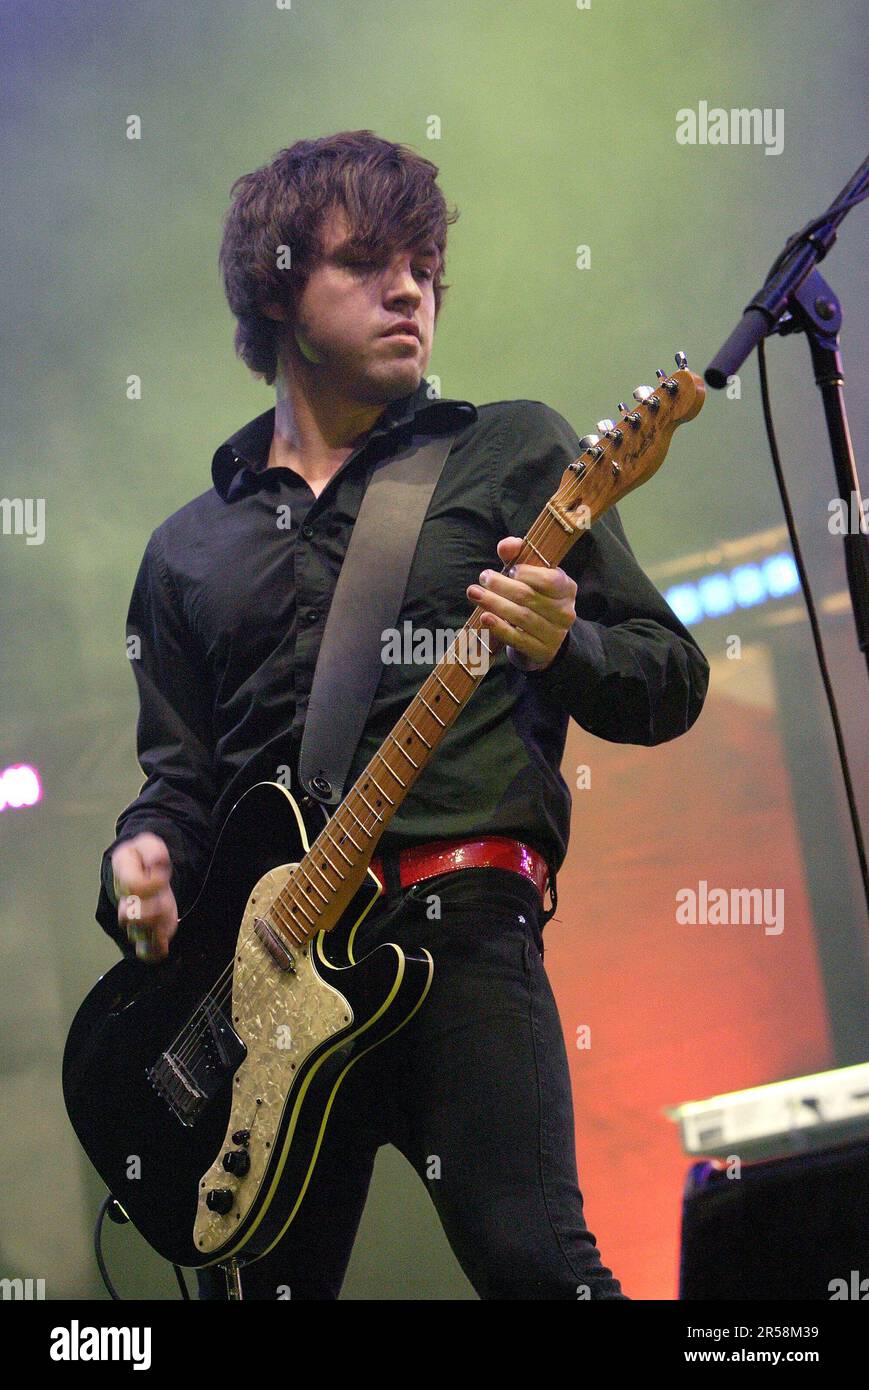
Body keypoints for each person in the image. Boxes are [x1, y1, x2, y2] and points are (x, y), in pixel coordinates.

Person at [96, 130, 709, 1300]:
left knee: (535, 1265)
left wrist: (561, 642)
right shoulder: (186, 550)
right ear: (278, 287)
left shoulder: (511, 449)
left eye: (424, 267)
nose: (409, 290)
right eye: (367, 262)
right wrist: (139, 861)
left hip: (458, 928)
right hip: (266, 987)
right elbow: (177, 786)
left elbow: (664, 676)